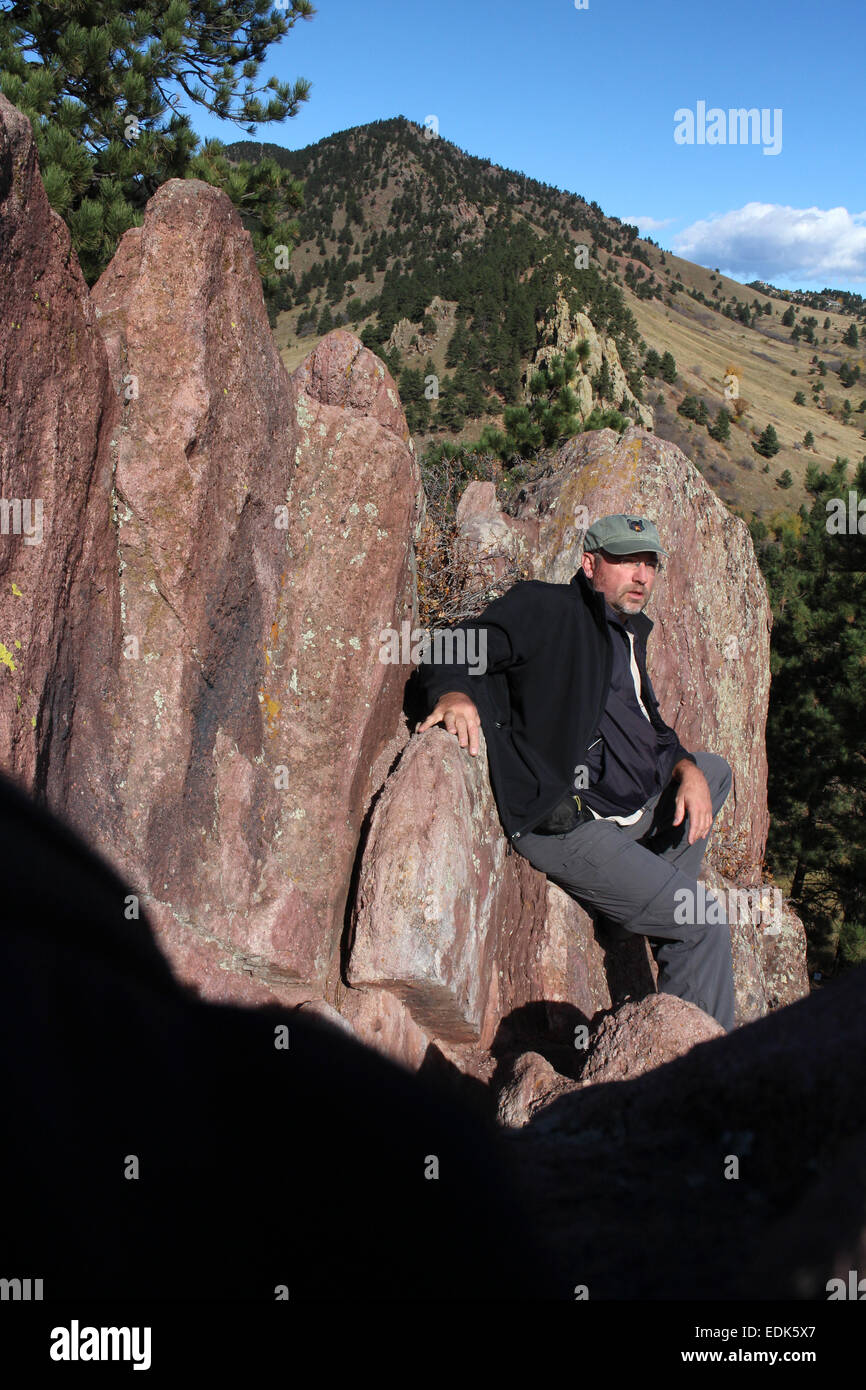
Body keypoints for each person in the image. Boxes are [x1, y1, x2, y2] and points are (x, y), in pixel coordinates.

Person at [416, 513, 736, 1032]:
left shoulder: (627, 633)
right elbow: (448, 647)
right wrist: (453, 693)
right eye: (628, 561)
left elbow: (652, 725)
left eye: (650, 563)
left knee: (714, 773)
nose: (642, 576)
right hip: (569, 822)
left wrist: (685, 768)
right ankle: (695, 1078)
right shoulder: (547, 608)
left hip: (623, 811)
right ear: (590, 564)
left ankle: (627, 910)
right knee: (700, 922)